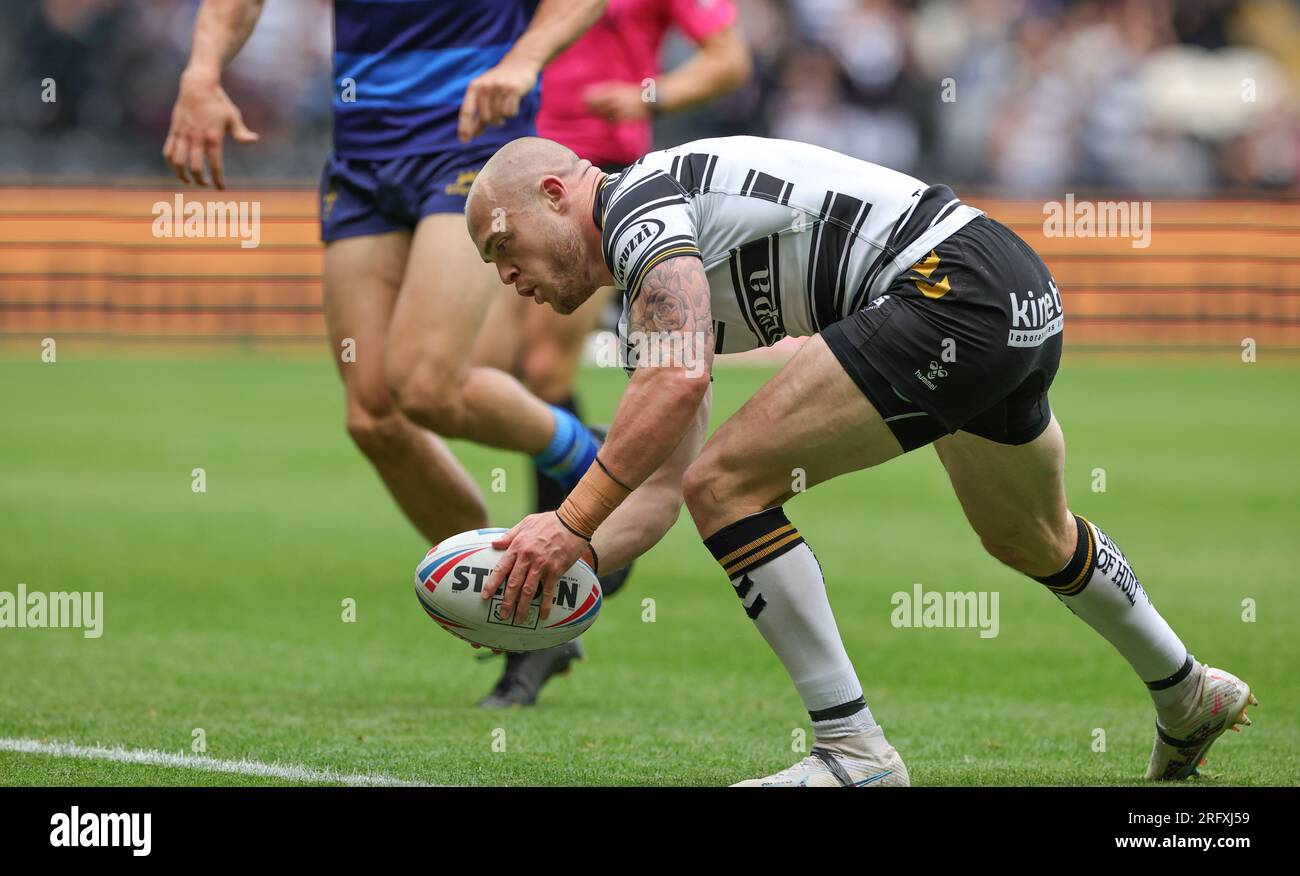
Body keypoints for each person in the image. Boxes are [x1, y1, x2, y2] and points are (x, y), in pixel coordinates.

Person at [463, 134, 1256, 785]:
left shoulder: (636, 204)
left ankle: (852, 752)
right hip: (1010, 287)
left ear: (557, 195)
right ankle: (1187, 689)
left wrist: (569, 520)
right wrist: (551, 570)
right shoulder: (650, 286)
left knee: (728, 486)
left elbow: (679, 381)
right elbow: (660, 489)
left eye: (504, 245)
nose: (507, 275)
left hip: (947, 287)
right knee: (1031, 536)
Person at [162, 0, 612, 555]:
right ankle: (495, 587)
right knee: (372, 416)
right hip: (362, 158)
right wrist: (201, 74)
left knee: (425, 384)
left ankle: (585, 459)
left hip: (470, 146)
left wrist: (522, 60)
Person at [472, 0, 751, 708]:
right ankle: (602, 461)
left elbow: (730, 58)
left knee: (542, 368)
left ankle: (548, 602)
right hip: (517, 179)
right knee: (474, 377)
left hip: (602, 193)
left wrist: (649, 94)